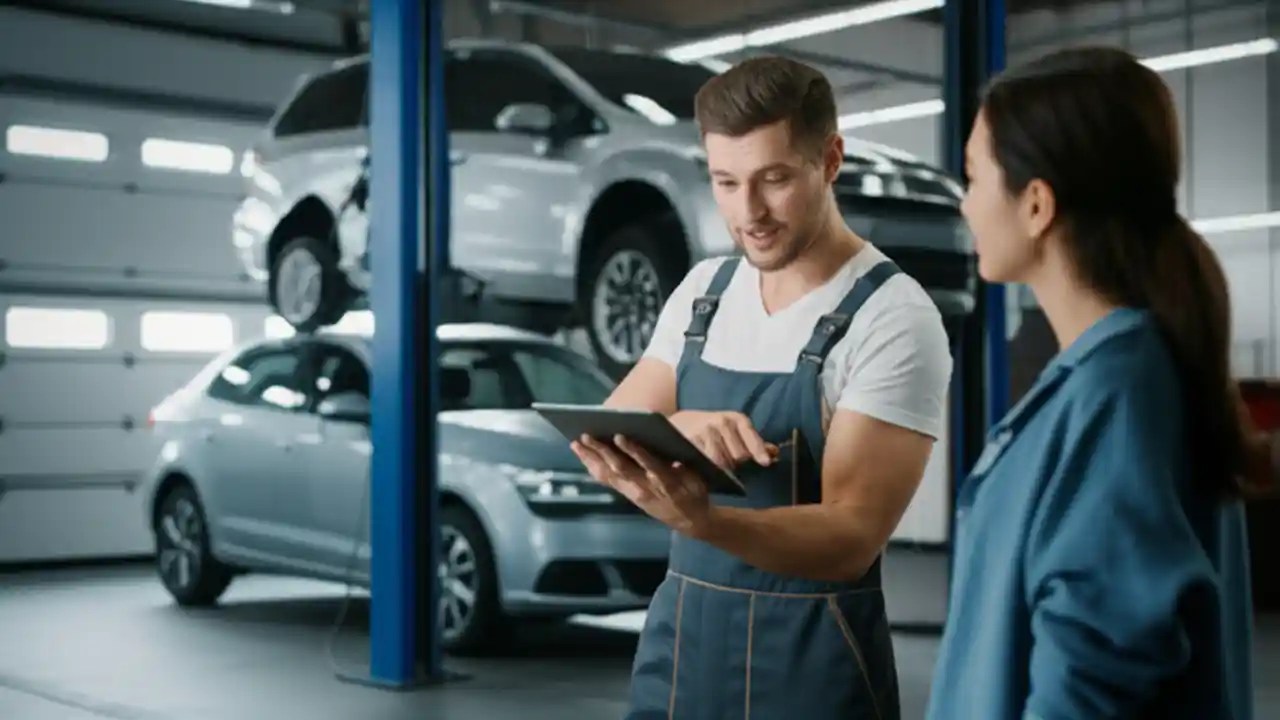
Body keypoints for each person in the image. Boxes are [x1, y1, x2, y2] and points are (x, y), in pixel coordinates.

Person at [569, 55, 954, 719]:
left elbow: (850, 537)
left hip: (810, 668)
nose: (749, 212)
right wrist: (680, 430)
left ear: (830, 160)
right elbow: (601, 433)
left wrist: (706, 521)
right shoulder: (702, 296)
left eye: (774, 179)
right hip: (681, 653)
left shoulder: (892, 315)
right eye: (725, 182)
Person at [925, 47, 1257, 719]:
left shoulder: (1116, 397)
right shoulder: (1123, 376)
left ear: (1037, 204)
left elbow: (1089, 687)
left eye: (973, 177)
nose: (966, 205)